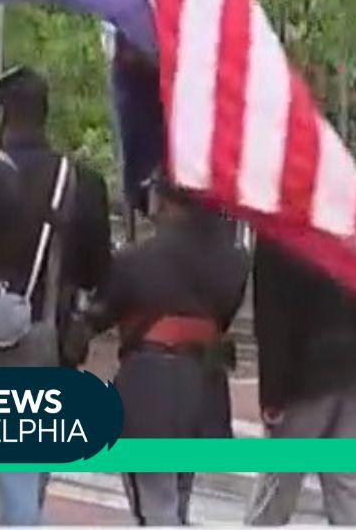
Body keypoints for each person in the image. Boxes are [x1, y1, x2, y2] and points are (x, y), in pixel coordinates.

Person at [0, 65, 112, 526]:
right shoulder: (83, 184)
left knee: (14, 480)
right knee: (30, 472)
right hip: (54, 344)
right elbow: (99, 271)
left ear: (2, 116)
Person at [83, 181, 248, 526]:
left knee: (155, 506)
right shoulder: (234, 261)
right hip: (203, 383)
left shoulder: (136, 259)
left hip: (149, 384)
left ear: (166, 201)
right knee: (179, 498)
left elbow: (98, 315)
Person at [248, 236, 356, 526]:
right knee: (350, 484)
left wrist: (271, 395)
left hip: (306, 375)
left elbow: (273, 317)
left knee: (277, 487)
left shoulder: (281, 230)